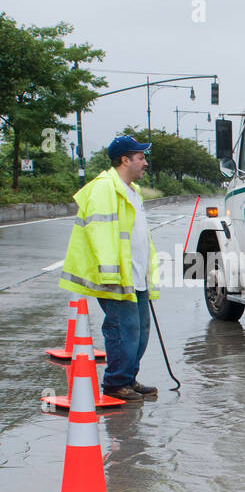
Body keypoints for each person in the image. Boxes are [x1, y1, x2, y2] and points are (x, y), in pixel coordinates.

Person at [59, 135, 160, 402]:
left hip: (136, 276)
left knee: (139, 332)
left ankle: (128, 378)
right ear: (124, 160)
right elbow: (100, 233)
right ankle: (115, 383)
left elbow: (138, 236)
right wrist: (109, 274)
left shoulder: (132, 191)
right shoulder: (104, 188)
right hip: (115, 276)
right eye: (140, 157)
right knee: (122, 330)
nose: (145, 163)